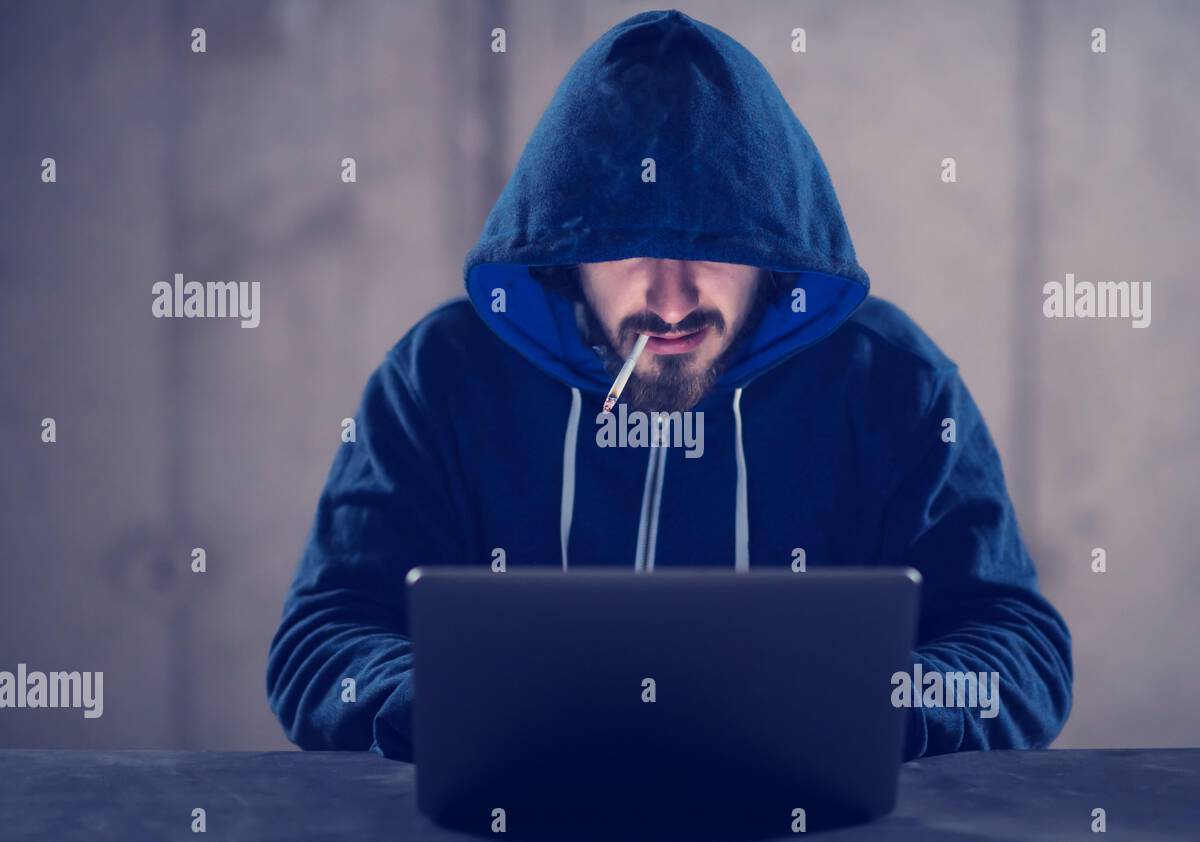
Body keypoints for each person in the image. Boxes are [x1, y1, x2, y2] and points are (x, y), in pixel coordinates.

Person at [267, 9, 1072, 763]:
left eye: (714, 248)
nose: (672, 299)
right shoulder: (438, 379)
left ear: (777, 251)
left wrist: (878, 709)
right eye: (626, 249)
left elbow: (1016, 644)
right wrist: (462, 707)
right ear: (561, 253)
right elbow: (325, 634)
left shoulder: (896, 385)